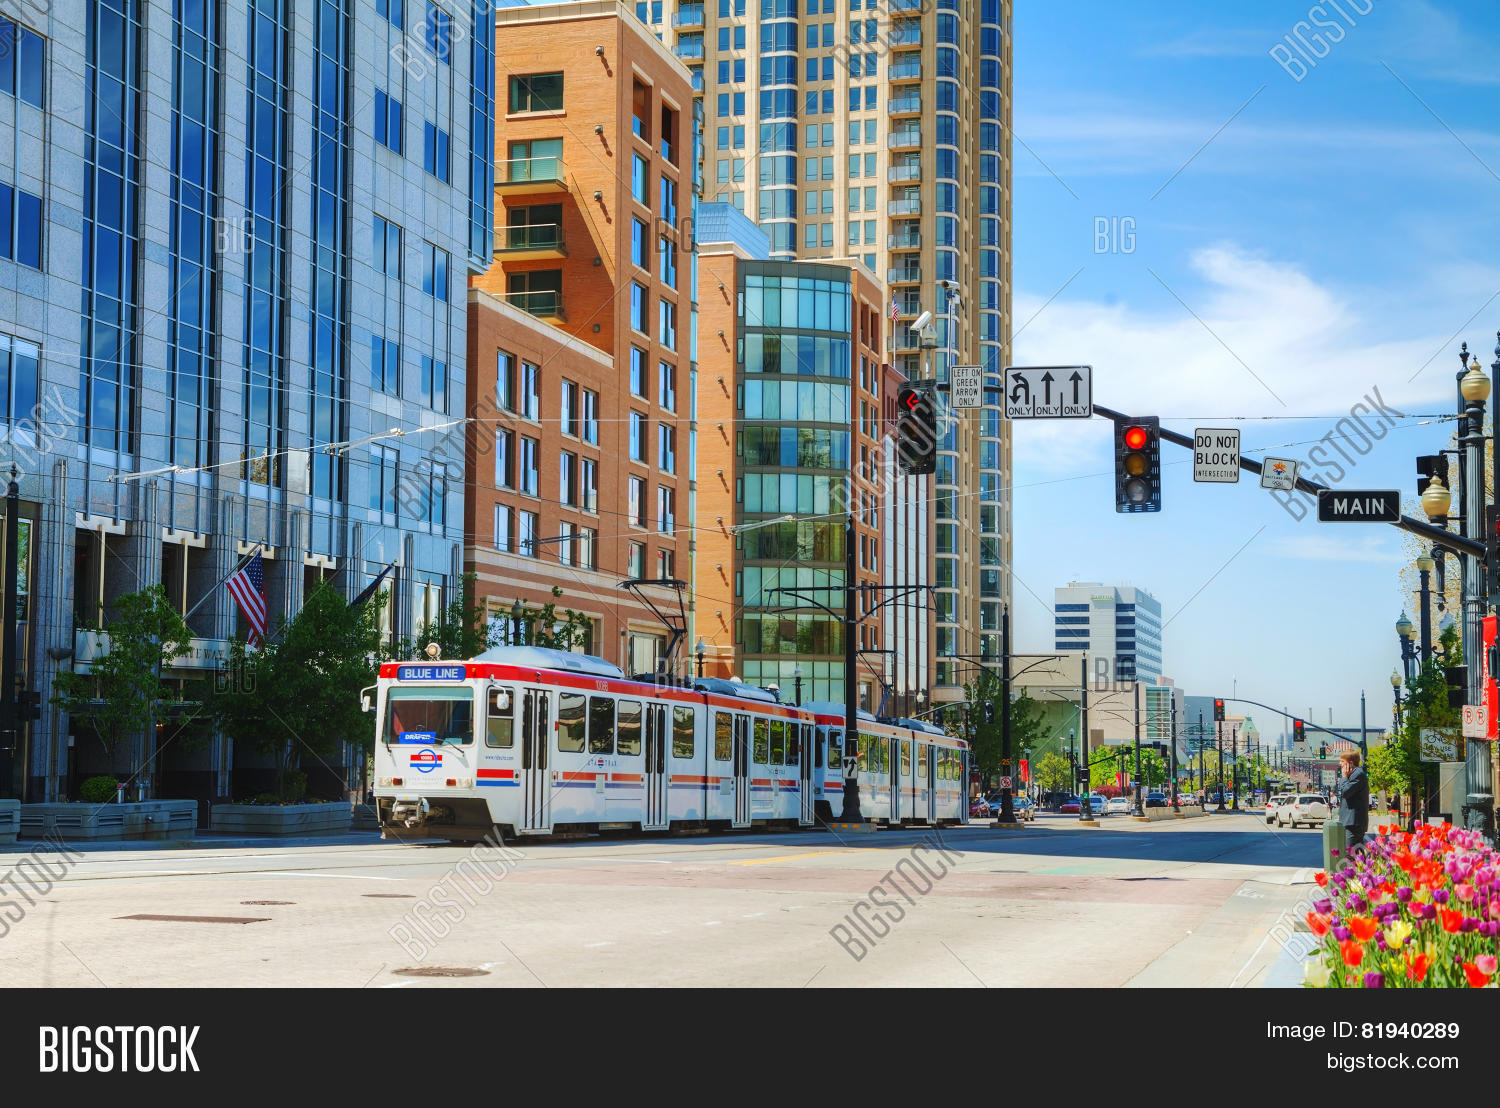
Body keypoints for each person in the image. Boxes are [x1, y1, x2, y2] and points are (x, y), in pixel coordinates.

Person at [1336, 750, 1369, 851]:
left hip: (1354, 823)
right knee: (1357, 854)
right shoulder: (1353, 774)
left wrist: (1344, 777)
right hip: (1351, 821)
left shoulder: (1358, 775)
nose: (1339, 764)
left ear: (1350, 763)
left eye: (1342, 761)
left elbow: (1346, 792)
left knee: (1350, 853)